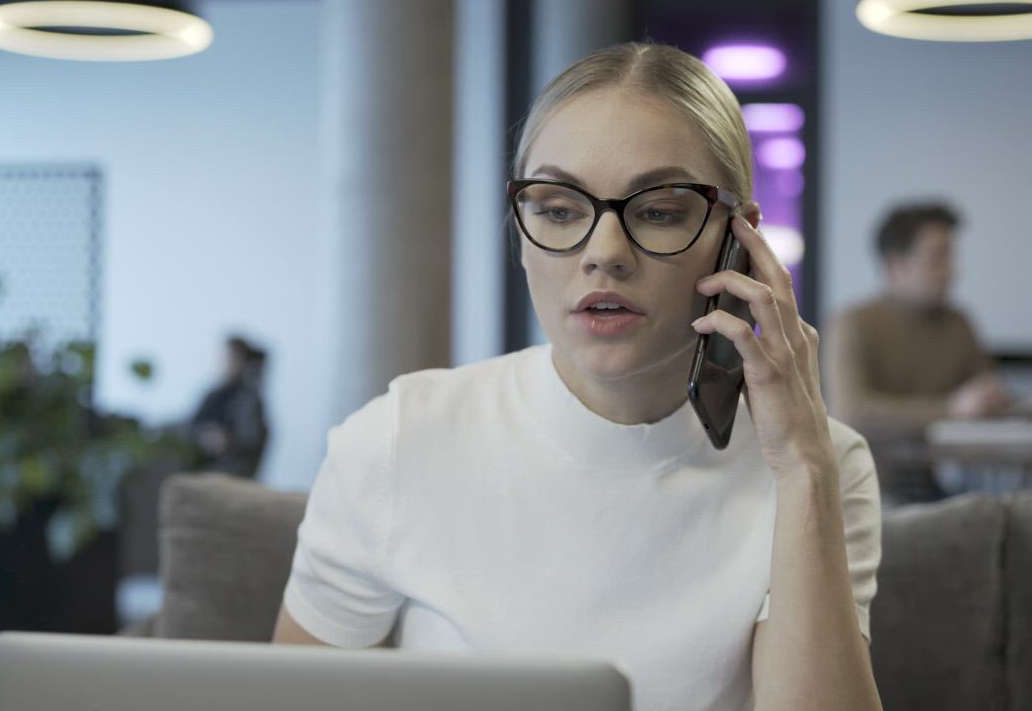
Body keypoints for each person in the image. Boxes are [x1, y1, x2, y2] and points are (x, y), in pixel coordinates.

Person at [274, 43, 883, 711]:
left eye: (658, 211)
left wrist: (802, 467)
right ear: (521, 230)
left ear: (741, 242)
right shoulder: (398, 438)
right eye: (559, 209)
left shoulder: (824, 466)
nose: (604, 254)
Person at [825, 203, 1010, 429]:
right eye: (937, 259)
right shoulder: (852, 323)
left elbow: (985, 393)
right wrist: (950, 408)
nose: (952, 272)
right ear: (896, 265)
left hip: (943, 461)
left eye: (950, 258)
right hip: (867, 464)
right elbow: (849, 411)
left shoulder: (958, 321)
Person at [189, 335, 269, 478]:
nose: (224, 363)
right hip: (197, 459)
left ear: (243, 362)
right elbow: (191, 423)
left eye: (230, 358)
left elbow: (252, 439)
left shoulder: (249, 400)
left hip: (229, 469)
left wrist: (227, 441)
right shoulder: (212, 394)